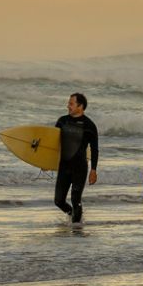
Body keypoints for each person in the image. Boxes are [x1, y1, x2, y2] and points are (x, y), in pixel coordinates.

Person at [53, 93, 100, 225]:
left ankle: (76, 229)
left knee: (75, 199)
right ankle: (74, 215)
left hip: (79, 167)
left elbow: (94, 149)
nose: (68, 106)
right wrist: (45, 161)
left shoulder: (89, 125)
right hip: (64, 166)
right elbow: (53, 145)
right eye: (69, 103)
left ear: (80, 106)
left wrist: (93, 170)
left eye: (71, 104)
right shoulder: (62, 121)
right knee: (58, 201)